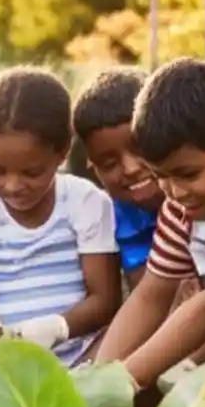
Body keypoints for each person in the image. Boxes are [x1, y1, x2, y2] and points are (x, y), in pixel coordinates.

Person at [0, 66, 122, 365]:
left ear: (62, 152)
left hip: (86, 358)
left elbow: (106, 301)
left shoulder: (85, 202)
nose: (13, 186)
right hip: (8, 366)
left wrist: (56, 328)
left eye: (32, 172)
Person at [89, 57, 205, 388]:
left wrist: (126, 381)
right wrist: (100, 375)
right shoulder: (181, 209)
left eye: (188, 174)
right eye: (160, 176)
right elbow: (149, 297)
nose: (174, 192)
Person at [72, 66, 164, 289]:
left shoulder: (202, 199)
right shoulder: (111, 219)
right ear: (93, 166)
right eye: (109, 164)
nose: (131, 169)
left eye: (141, 148)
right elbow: (148, 292)